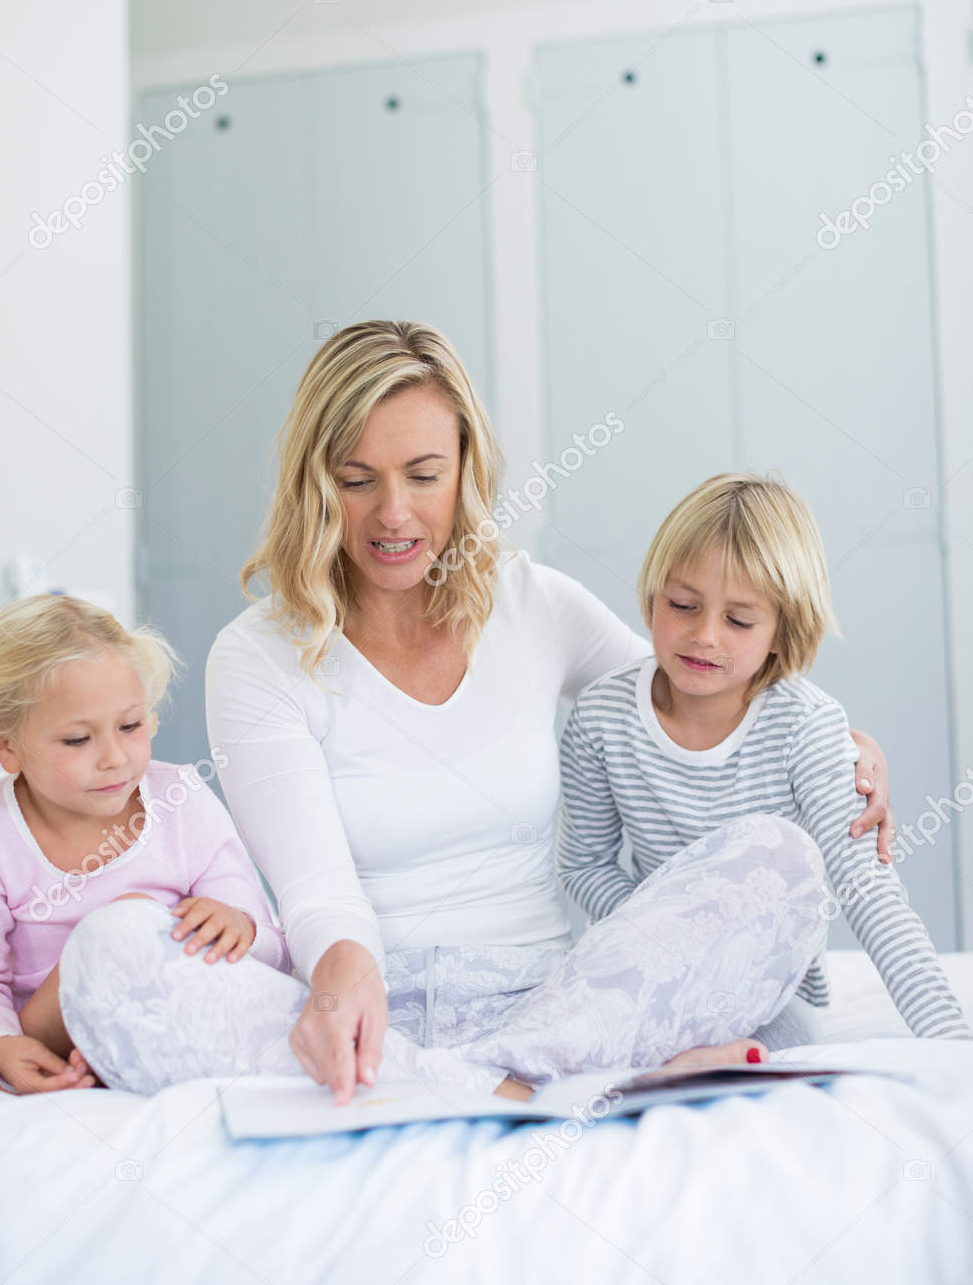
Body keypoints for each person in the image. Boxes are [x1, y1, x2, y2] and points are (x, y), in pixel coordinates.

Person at [49, 322, 894, 1100]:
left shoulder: (535, 605)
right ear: (314, 482)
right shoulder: (258, 654)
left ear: (466, 469)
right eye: (356, 480)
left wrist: (832, 740)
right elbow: (316, 888)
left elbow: (699, 691)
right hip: (366, 998)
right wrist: (343, 978)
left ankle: (468, 1076)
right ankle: (498, 1079)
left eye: (424, 475)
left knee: (780, 861)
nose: (393, 514)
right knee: (109, 953)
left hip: (556, 998)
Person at [454, 473, 969, 1086]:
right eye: (683, 605)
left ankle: (673, 1054)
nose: (705, 635)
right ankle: (517, 1065)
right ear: (652, 599)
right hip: (648, 972)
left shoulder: (807, 727)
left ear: (783, 631)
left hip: (768, 992)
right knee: (589, 998)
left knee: (778, 856)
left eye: (740, 620)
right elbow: (583, 866)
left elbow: (869, 891)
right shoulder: (602, 716)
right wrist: (670, 936)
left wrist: (953, 1043)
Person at [0, 594, 290, 1094]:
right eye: (77, 740)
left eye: (130, 726)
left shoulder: (180, 799)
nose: (114, 758)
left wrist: (240, 926)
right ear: (3, 746)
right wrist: (0, 1042)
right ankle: (6, 1080)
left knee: (128, 923)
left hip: (166, 1006)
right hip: (50, 1031)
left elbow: (274, 951)